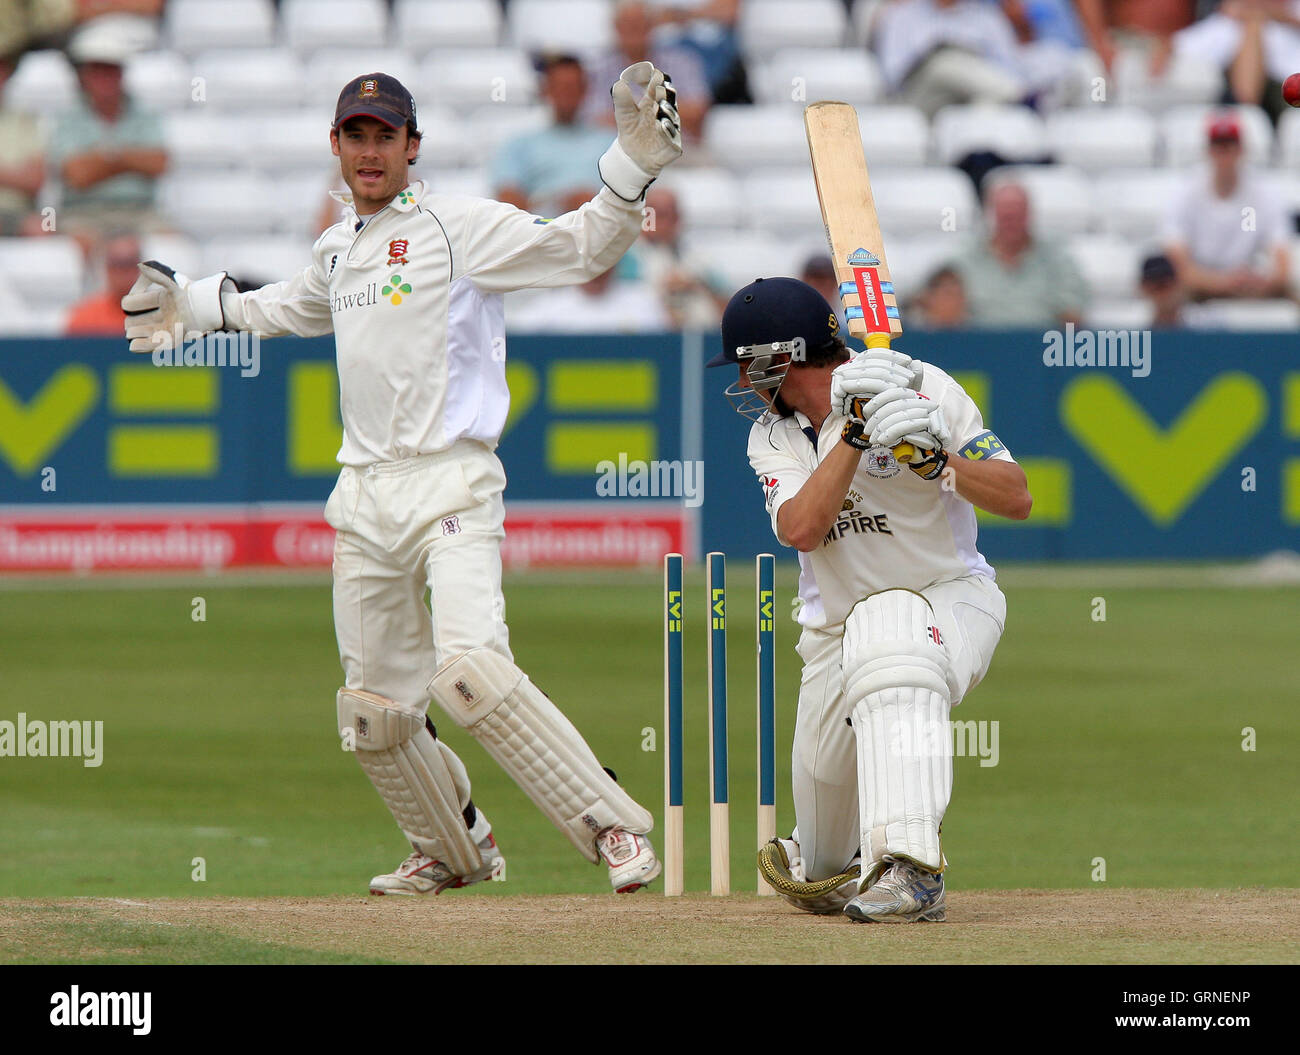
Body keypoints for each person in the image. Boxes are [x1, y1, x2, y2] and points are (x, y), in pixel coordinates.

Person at [121, 66, 683, 895]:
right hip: (365, 496)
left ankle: (611, 829)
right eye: (357, 135)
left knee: (471, 672)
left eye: (386, 136)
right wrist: (194, 305)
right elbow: (290, 307)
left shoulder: (457, 227)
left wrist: (631, 166)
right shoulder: (338, 245)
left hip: (452, 483)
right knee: (374, 713)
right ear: (338, 147)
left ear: (412, 147)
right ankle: (452, 847)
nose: (371, 151)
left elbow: (578, 247)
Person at [709, 277, 1030, 922]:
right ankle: (847, 854)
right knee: (828, 870)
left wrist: (941, 463)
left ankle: (911, 866)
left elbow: (1016, 495)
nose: (744, 383)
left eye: (748, 366)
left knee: (891, 625)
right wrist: (854, 435)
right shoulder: (773, 437)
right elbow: (802, 528)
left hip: (950, 599)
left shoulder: (924, 388)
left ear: (777, 359)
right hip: (835, 632)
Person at [50, 16, 167, 248]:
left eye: (110, 70)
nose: (105, 78)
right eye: (97, 70)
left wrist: (103, 158)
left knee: (171, 244)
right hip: (84, 215)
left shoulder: (144, 113)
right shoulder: (68, 118)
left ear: (122, 73)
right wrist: (129, 159)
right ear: (84, 75)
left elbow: (160, 163)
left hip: (140, 212)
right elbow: (77, 175)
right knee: (78, 244)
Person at [1163, 112, 1290, 301]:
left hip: (1250, 285)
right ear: (1209, 151)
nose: (1224, 155)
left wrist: (1256, 282)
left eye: (1229, 146)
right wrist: (1225, 282)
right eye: (1218, 147)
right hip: (1200, 290)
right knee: (1166, 287)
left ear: (1241, 150)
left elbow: (1282, 263)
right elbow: (1178, 266)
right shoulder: (1185, 192)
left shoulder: (1265, 193)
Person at [949, 178, 1087, 327]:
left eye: (1017, 215)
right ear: (991, 214)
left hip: (1041, 345)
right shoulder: (965, 258)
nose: (1011, 222)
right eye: (1006, 216)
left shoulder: (1058, 259)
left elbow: (1074, 314)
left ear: (1029, 214)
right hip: (979, 345)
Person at [490, 54, 611, 216]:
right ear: (545, 90)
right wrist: (558, 203)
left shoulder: (611, 142)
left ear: (585, 90)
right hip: (542, 232)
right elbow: (507, 203)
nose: (566, 95)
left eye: (573, 87)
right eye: (560, 87)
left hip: (603, 231)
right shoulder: (518, 144)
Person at [584, 1, 711, 142]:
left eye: (639, 24)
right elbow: (595, 121)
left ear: (651, 26)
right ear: (616, 28)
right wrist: (661, 108)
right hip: (620, 151)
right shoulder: (598, 70)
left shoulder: (682, 62)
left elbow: (696, 114)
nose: (634, 31)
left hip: (678, 150)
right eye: (628, 25)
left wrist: (632, 111)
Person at [65, 229, 141, 334]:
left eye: (130, 263)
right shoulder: (85, 317)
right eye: (117, 264)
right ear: (106, 268)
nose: (124, 272)